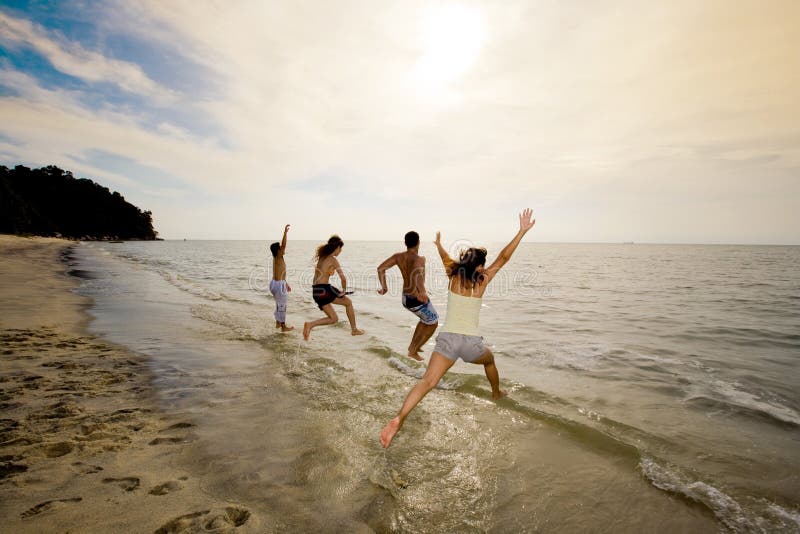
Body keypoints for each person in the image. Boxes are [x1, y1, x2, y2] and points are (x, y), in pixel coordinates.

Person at [380, 209, 536, 448]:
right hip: (471, 344)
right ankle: (496, 393)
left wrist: (439, 245)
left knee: (427, 382)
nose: (485, 268)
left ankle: (399, 419)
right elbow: (504, 258)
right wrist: (522, 231)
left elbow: (445, 258)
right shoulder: (483, 280)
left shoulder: (453, 275)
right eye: (483, 265)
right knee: (490, 360)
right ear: (480, 266)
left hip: (447, 342)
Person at [377, 231, 438, 361]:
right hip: (415, 298)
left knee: (425, 320)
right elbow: (417, 275)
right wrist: (422, 292)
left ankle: (415, 346)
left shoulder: (398, 257)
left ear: (405, 243)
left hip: (405, 298)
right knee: (433, 323)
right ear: (418, 242)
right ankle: (413, 350)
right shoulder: (419, 259)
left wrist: (384, 287)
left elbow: (380, 269)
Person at [303, 235, 365, 340]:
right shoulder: (333, 260)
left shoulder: (322, 258)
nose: (340, 251)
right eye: (340, 249)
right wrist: (344, 291)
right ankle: (354, 329)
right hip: (324, 289)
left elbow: (318, 276)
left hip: (316, 291)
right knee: (348, 303)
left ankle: (310, 325)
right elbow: (343, 278)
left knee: (334, 319)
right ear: (337, 248)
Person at [269, 224, 294, 332]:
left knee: (279, 304)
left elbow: (281, 272)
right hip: (278, 285)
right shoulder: (278, 256)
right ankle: (283, 327)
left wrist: (286, 283)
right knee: (282, 305)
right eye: (280, 248)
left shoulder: (277, 257)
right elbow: (284, 244)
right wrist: (285, 233)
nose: (283, 249)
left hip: (276, 283)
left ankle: (278, 323)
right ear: (278, 251)